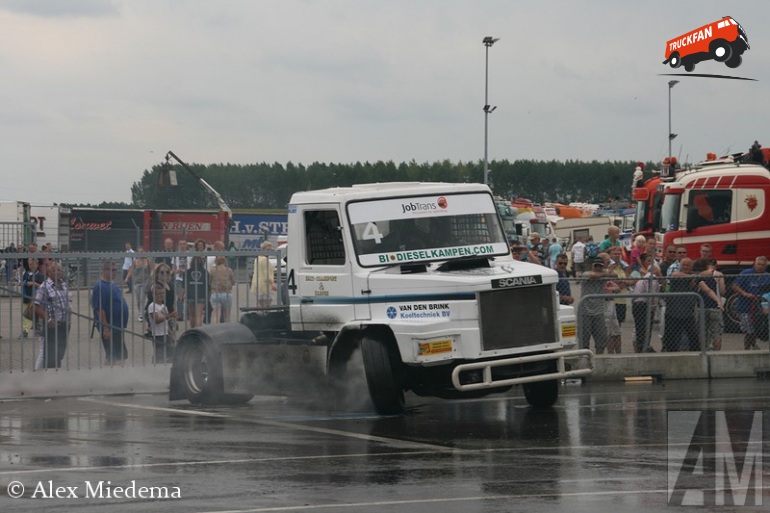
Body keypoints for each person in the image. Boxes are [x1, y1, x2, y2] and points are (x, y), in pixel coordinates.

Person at [34, 261, 72, 369]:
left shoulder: (64, 285)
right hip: (52, 326)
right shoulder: (44, 286)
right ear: (48, 272)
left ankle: (56, 376)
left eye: (59, 270)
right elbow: (36, 305)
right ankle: (46, 380)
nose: (57, 272)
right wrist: (49, 320)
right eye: (54, 270)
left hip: (64, 326)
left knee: (59, 355)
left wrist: (69, 321)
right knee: (50, 356)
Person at [92, 260, 130, 365]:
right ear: (105, 270)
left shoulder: (111, 284)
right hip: (110, 327)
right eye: (112, 270)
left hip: (117, 326)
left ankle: (111, 375)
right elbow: (99, 309)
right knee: (116, 356)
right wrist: (106, 329)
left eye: (115, 270)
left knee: (114, 355)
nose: (114, 272)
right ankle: (114, 377)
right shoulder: (100, 286)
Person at [732, 256, 770, 350]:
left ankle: (753, 345)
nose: (760, 267)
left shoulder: (767, 276)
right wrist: (745, 294)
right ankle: (747, 349)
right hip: (744, 307)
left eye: (763, 265)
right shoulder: (746, 273)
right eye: (758, 264)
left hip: (759, 308)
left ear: (766, 266)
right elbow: (735, 286)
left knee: (756, 328)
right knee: (749, 331)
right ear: (754, 264)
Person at [663, 258, 699, 352]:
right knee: (671, 337)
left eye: (688, 265)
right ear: (680, 266)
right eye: (684, 265)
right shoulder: (677, 275)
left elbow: (708, 274)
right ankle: (671, 353)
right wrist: (691, 277)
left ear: (691, 267)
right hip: (673, 312)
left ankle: (695, 354)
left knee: (693, 336)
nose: (686, 267)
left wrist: (694, 276)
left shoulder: (694, 277)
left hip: (688, 314)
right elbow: (674, 275)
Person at [579, 257, 611, 354]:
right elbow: (592, 275)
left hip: (599, 312)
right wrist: (604, 273)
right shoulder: (586, 274)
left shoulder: (603, 275)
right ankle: (584, 360)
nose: (597, 268)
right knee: (584, 340)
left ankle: (599, 359)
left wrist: (605, 273)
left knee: (601, 341)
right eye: (596, 265)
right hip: (585, 312)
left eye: (600, 266)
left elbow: (615, 274)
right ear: (592, 266)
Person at [692, 258, 724, 351]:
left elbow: (708, 290)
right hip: (713, 308)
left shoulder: (698, 277)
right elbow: (717, 290)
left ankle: (704, 350)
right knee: (716, 333)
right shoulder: (709, 276)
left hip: (702, 308)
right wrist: (719, 301)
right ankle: (716, 352)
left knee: (703, 332)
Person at [631, 253, 660, 353]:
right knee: (644, 328)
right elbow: (650, 292)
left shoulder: (645, 277)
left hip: (637, 304)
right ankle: (643, 347)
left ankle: (642, 347)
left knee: (640, 329)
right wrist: (652, 307)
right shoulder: (652, 277)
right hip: (643, 305)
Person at [147, 286, 177, 363]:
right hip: (157, 335)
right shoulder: (152, 306)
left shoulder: (164, 306)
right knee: (159, 355)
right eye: (158, 293)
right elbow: (157, 320)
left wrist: (171, 335)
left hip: (165, 334)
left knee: (171, 353)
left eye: (162, 293)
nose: (161, 295)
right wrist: (170, 315)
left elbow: (165, 323)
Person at [185, 246, 209, 328]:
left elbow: (184, 284)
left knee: (192, 316)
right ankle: (198, 331)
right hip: (201, 294)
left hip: (190, 294)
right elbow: (207, 284)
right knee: (199, 315)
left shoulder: (188, 272)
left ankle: (192, 330)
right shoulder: (205, 272)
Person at [125, 246, 151, 322]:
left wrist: (151, 280)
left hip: (145, 282)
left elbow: (151, 271)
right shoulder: (135, 261)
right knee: (138, 300)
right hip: (136, 282)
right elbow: (131, 270)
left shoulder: (147, 261)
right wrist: (127, 277)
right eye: (139, 251)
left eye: (142, 251)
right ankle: (141, 311)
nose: (141, 253)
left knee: (142, 299)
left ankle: (141, 315)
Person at [21, 257, 44, 339]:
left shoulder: (40, 275)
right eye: (30, 264)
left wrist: (34, 283)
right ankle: (25, 331)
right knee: (27, 315)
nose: (31, 266)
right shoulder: (26, 273)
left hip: (36, 298)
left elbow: (42, 286)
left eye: (33, 264)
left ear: (37, 264)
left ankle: (37, 331)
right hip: (26, 296)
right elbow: (23, 282)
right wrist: (22, 283)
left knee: (37, 315)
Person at [209, 255, 236, 324]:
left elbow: (210, 281)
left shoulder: (213, 270)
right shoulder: (229, 270)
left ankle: (216, 331)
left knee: (216, 315)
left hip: (215, 293)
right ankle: (227, 331)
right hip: (226, 293)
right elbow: (233, 282)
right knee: (227, 316)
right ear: (225, 261)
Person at [251, 240, 277, 308]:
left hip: (257, 284)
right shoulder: (265, 260)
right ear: (264, 249)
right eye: (268, 249)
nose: (269, 251)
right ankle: (265, 316)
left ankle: (260, 316)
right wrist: (272, 284)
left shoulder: (257, 259)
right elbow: (267, 274)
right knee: (267, 304)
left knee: (260, 305)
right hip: (265, 285)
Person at [172, 239, 188, 321]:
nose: (182, 246)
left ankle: (188, 314)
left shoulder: (190, 255)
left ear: (186, 245)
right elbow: (173, 268)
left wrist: (186, 271)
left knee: (187, 296)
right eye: (180, 244)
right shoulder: (175, 255)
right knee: (179, 297)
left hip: (188, 278)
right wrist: (177, 270)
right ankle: (180, 314)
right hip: (178, 278)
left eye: (184, 244)